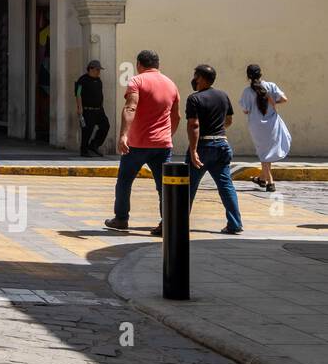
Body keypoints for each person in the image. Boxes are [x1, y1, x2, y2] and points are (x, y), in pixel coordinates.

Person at [106, 49, 180, 236]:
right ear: (158, 65)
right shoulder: (171, 84)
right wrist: (167, 135)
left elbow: (130, 107)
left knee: (124, 181)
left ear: (139, 64)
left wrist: (123, 135)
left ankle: (121, 218)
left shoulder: (137, 81)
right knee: (164, 185)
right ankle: (167, 222)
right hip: (163, 145)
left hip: (137, 144)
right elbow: (176, 116)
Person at [185, 64, 243, 234]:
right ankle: (235, 224)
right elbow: (229, 120)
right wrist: (216, 129)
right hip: (222, 145)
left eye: (196, 76)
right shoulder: (223, 95)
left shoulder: (194, 98)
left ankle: (178, 221)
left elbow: (193, 125)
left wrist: (193, 150)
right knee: (226, 186)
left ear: (201, 78)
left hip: (203, 146)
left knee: (187, 186)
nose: (194, 80)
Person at [240, 63, 290, 193]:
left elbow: (245, 110)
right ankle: (262, 179)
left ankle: (270, 183)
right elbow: (284, 99)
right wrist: (273, 101)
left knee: (264, 153)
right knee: (267, 153)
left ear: (248, 76)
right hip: (272, 124)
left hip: (256, 126)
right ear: (261, 74)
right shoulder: (271, 86)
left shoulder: (247, 91)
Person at [74, 59, 109, 158]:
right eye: (97, 70)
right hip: (87, 110)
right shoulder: (82, 80)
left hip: (99, 110)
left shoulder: (99, 80)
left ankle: (94, 145)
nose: (99, 72)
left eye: (99, 70)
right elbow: (78, 94)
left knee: (105, 126)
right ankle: (84, 150)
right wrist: (79, 108)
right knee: (87, 130)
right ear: (90, 69)